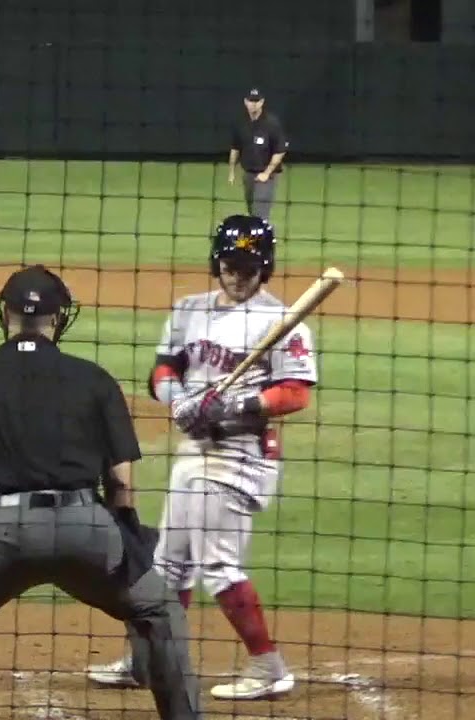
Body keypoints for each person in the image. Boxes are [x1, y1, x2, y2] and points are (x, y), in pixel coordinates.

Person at [0, 265, 203, 720]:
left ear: (6, 313)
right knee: (160, 609)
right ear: (59, 318)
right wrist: (125, 542)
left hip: (2, 537)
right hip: (86, 530)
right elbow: (121, 481)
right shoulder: (93, 379)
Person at [84, 215, 318, 702]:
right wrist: (178, 399)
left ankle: (269, 667)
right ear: (218, 262)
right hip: (194, 451)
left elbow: (295, 393)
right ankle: (146, 661)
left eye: (249, 267)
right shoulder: (190, 310)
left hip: (240, 453)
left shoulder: (282, 321)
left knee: (218, 565)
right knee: (169, 566)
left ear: (265, 267)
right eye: (231, 264)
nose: (238, 274)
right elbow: (163, 369)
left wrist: (238, 404)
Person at [227, 88, 286, 221]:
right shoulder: (241, 123)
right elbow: (235, 148)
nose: (253, 104)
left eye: (256, 101)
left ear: (262, 102)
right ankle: (259, 239)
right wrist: (231, 171)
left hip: (267, 176)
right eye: (251, 101)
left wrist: (267, 172)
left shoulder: (271, 123)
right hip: (248, 175)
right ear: (245, 102)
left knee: (260, 214)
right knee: (253, 213)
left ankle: (265, 241)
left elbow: (280, 150)